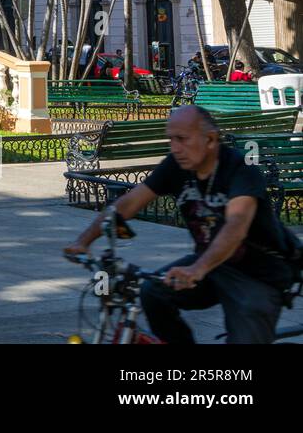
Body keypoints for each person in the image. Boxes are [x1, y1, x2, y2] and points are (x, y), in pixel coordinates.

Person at [64, 104, 299, 343]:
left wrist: (197, 269)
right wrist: (83, 241)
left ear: (210, 139)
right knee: (153, 292)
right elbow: (128, 204)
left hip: (258, 274)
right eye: (171, 140)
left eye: (182, 139)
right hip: (212, 264)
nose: (175, 148)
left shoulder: (240, 168)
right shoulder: (177, 166)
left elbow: (235, 226)